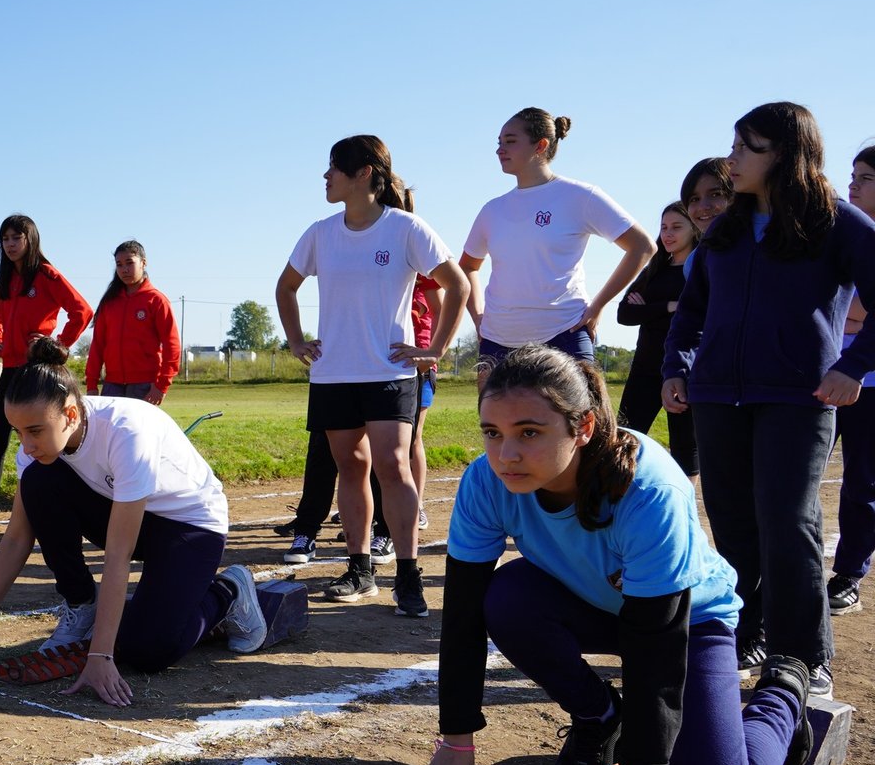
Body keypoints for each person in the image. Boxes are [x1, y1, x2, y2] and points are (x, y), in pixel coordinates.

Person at [408, 345, 814, 765]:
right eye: (492, 432)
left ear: (583, 427)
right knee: (505, 598)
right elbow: (462, 617)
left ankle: (783, 693)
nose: (505, 454)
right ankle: (600, 717)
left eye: (530, 432)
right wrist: (457, 741)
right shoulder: (485, 482)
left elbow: (656, 648)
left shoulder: (648, 490)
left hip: (689, 622)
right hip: (597, 605)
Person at [0, 336, 266, 706]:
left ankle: (228, 591)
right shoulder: (36, 450)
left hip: (188, 526)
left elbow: (118, 555)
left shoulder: (126, 433)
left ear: (71, 414)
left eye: (35, 431)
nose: (25, 445)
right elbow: (16, 540)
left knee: (146, 650)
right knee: (40, 480)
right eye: (17, 431)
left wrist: (100, 656)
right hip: (123, 510)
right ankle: (81, 601)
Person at [663, 102, 875, 696]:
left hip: (797, 399)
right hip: (716, 399)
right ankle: (748, 629)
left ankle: (804, 656)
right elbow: (692, 314)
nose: (731, 159)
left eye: (745, 147)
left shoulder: (838, 222)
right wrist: (676, 369)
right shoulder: (725, 230)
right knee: (733, 529)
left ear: (782, 153)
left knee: (787, 524)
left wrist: (854, 366)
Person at [275, 135, 470, 615]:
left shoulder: (406, 229)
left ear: (363, 173)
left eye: (333, 168)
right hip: (333, 374)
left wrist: (435, 348)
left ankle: (407, 574)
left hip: (389, 372)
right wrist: (298, 341)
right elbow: (286, 287)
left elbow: (458, 284)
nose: (326, 177)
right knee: (352, 469)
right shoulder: (320, 232)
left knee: (394, 465)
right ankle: (360, 570)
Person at [459, 108, 654, 367]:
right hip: (499, 342)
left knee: (586, 409)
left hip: (564, 335)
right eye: (499, 142)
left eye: (510, 141)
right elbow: (468, 267)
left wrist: (597, 306)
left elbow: (642, 247)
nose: (500, 150)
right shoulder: (492, 210)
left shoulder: (580, 196)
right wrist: (478, 316)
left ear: (541, 145)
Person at [0, 215, 93, 538]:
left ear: (31, 239)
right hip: (10, 369)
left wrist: (56, 345)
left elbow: (82, 310)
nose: (11, 245)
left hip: (37, 369)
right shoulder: (5, 279)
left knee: (50, 438)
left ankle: (66, 505)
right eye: (5, 239)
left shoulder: (46, 275)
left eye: (17, 238)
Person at [825, 144, 875, 616]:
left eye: (866, 177)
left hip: (869, 382)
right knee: (796, 476)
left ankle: (848, 576)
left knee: (863, 481)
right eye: (853, 175)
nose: (853, 184)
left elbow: (857, 311)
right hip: (822, 374)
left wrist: (851, 315)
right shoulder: (842, 235)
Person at [615, 203, 699, 477]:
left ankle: (685, 512)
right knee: (623, 439)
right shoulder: (655, 269)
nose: (668, 234)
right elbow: (625, 314)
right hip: (645, 368)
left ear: (694, 228)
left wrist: (649, 309)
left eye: (676, 227)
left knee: (685, 448)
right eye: (664, 227)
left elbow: (699, 315)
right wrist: (667, 307)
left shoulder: (701, 269)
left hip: (685, 369)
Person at [85, 240, 181, 402]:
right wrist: (92, 384)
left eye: (130, 263)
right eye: (119, 265)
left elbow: (172, 345)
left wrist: (161, 385)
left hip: (144, 386)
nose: (124, 269)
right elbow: (98, 345)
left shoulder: (156, 300)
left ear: (143, 263)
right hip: (112, 385)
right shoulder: (109, 302)